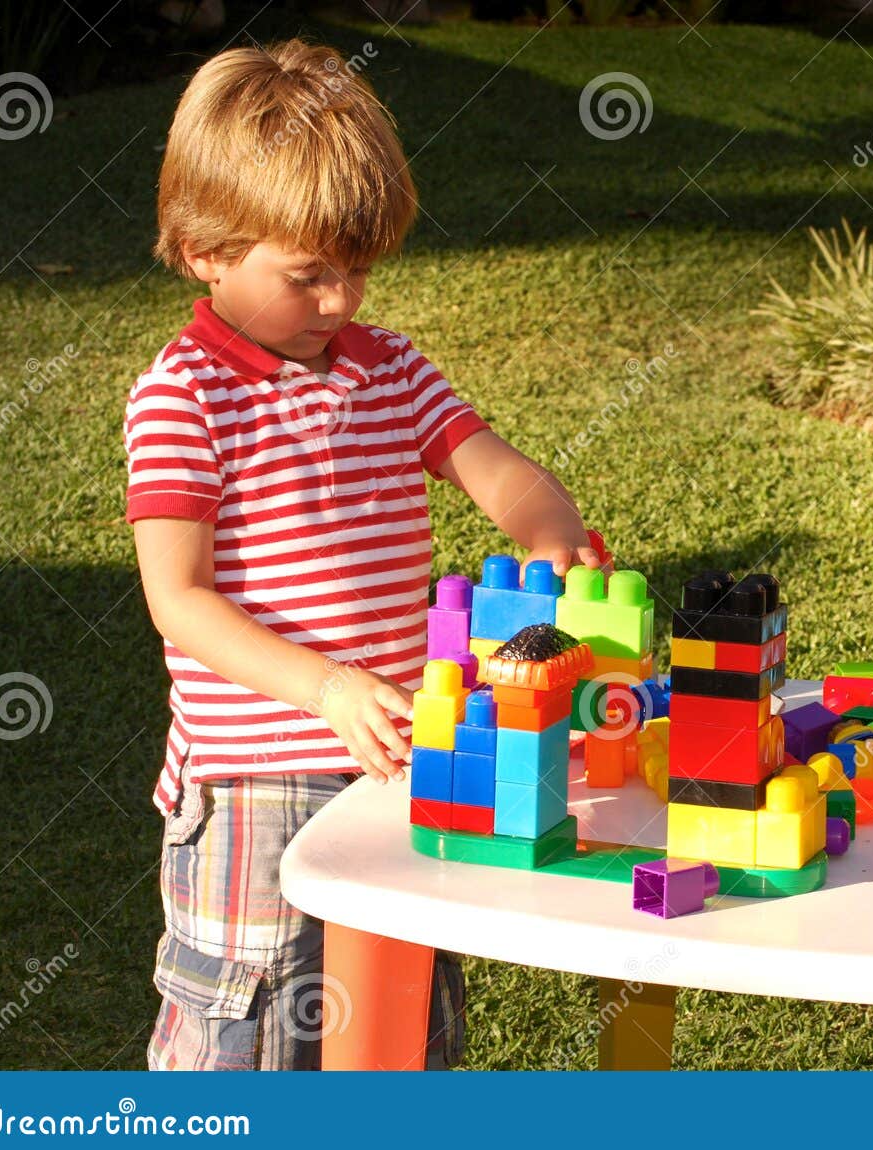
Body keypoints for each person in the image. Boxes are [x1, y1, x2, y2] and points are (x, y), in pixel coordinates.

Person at [125, 39, 600, 1069]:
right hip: (259, 776)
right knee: (245, 1034)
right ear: (206, 248)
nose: (341, 300)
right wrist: (326, 685)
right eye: (309, 276)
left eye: (359, 270)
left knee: (393, 1028)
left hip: (397, 758)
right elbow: (180, 599)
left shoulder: (384, 370)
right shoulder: (185, 398)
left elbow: (492, 465)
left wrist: (552, 533)